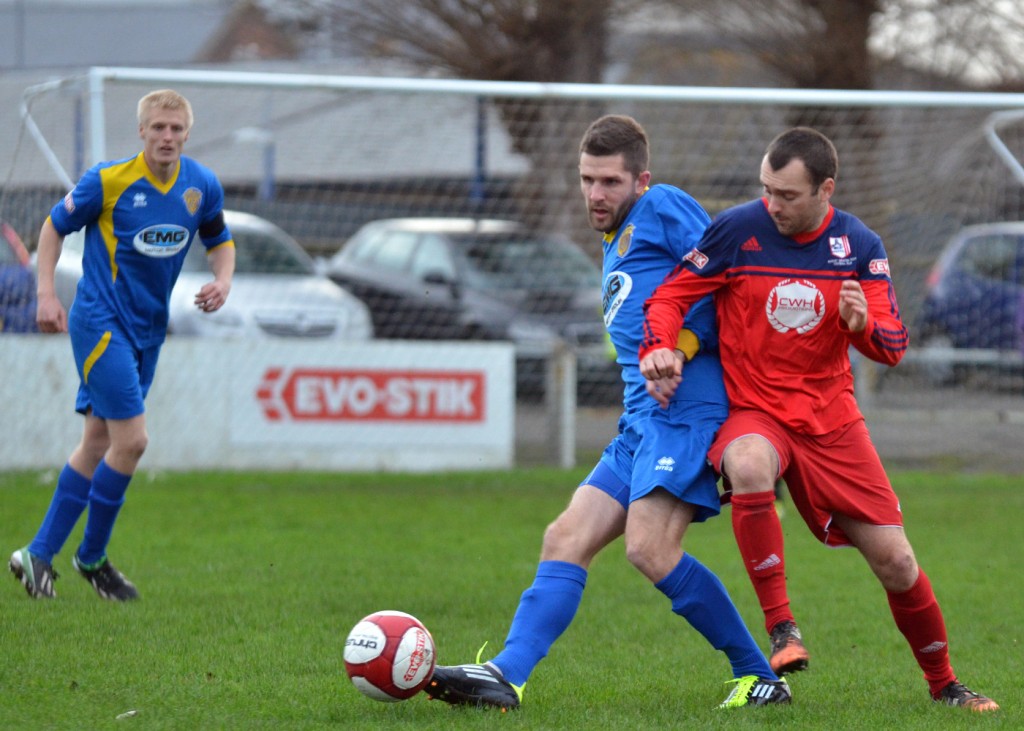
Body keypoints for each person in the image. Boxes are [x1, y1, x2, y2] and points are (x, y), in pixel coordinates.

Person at [425, 115, 791, 711]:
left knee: (649, 549)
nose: (596, 194)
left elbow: (729, 286)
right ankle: (506, 677)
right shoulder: (615, 238)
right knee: (565, 536)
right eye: (587, 179)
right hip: (641, 423)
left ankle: (759, 676)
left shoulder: (664, 206)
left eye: (610, 182)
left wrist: (684, 347)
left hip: (686, 415)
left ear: (641, 180)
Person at [638, 127, 999, 712]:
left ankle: (945, 685)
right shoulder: (737, 230)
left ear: (825, 189)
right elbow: (670, 296)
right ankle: (782, 628)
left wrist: (861, 326)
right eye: (766, 190)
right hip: (757, 411)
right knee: (749, 461)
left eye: (786, 194)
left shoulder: (859, 244)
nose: (772, 205)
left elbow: (894, 344)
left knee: (898, 562)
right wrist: (659, 345)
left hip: (833, 423)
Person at [9, 89, 235, 602]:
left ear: (187, 133)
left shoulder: (200, 185)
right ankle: (91, 558)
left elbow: (220, 239)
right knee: (131, 442)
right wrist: (45, 294)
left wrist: (223, 280)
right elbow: (52, 227)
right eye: (158, 127)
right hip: (100, 323)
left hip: (148, 329)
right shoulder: (108, 181)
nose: (167, 137)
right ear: (141, 131)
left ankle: (38, 554)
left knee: (96, 442)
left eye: (176, 129)